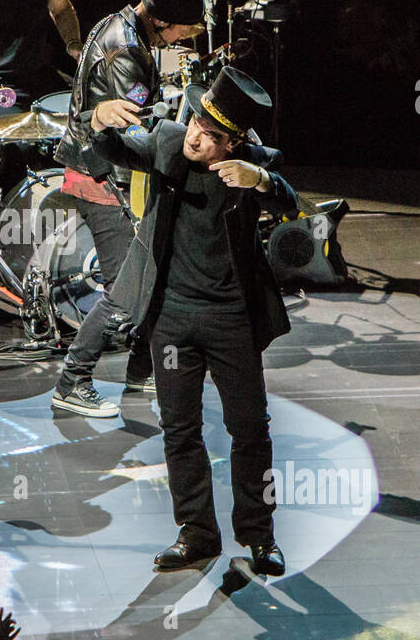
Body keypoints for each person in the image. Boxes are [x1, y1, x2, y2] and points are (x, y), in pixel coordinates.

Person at [85, 67, 298, 576]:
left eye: (212, 135)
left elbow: (290, 203)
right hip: (172, 317)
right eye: (198, 122)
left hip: (231, 320)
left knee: (250, 429)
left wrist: (262, 180)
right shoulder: (169, 141)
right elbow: (109, 151)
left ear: (234, 144)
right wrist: (97, 119)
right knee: (179, 429)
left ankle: (259, 536)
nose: (197, 136)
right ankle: (197, 533)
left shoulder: (250, 166)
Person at [49, 0, 205, 417]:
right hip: (103, 175)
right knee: (125, 287)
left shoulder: (118, 24)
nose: (184, 40)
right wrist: (179, 147)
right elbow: (133, 133)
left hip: (99, 168)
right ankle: (72, 380)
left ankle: (141, 369)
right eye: (182, 31)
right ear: (160, 20)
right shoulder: (129, 53)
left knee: (150, 276)